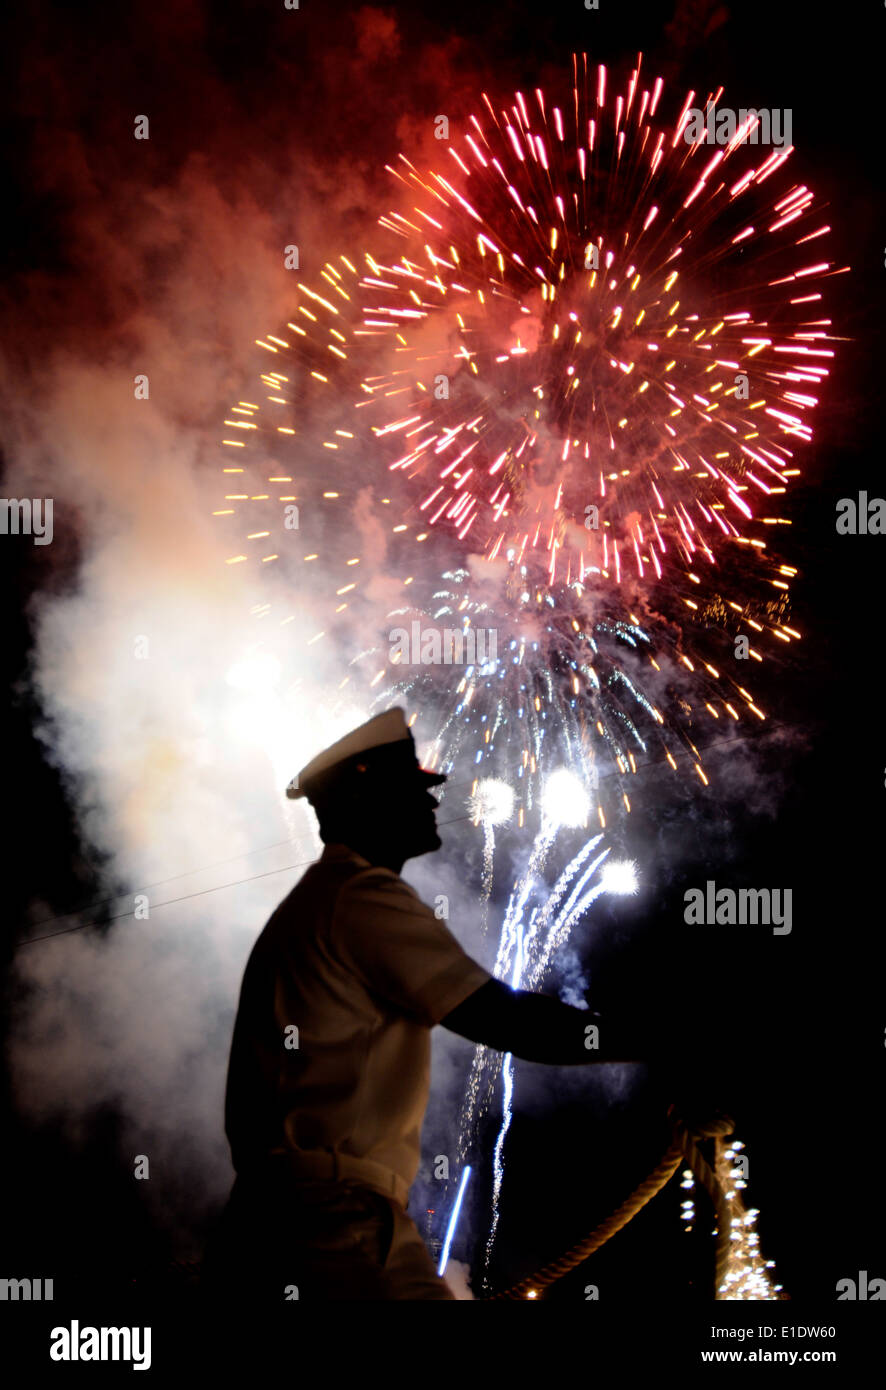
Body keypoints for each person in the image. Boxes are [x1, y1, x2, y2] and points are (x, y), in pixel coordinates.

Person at [205, 707, 650, 1305]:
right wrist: (663, 1042)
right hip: (334, 1228)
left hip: (288, 1224)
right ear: (366, 796)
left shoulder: (319, 903)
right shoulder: (363, 897)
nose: (433, 800)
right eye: (413, 788)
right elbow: (509, 1021)